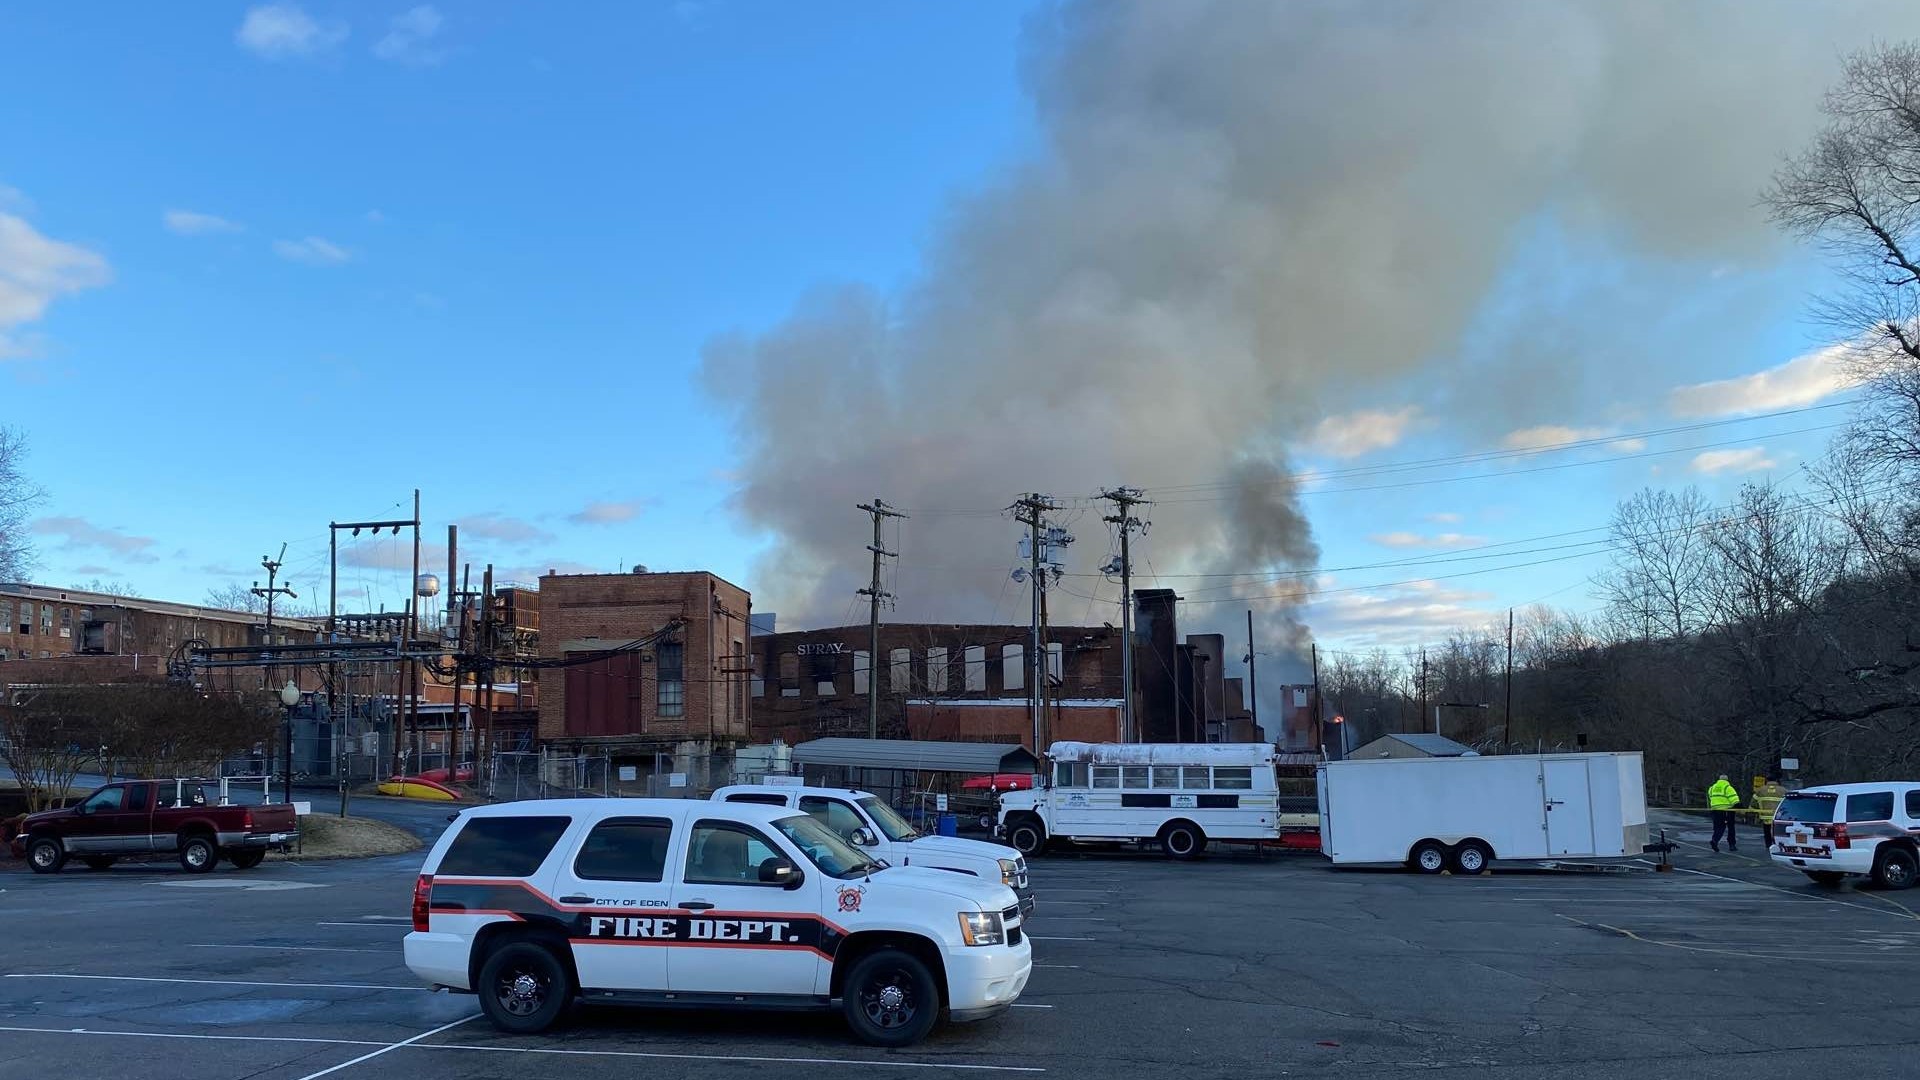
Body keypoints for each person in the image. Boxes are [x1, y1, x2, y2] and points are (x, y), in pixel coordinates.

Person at [1708, 773, 1741, 852]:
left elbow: (1710, 797)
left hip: (1715, 810)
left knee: (1718, 827)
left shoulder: (1712, 788)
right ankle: (1732, 845)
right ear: (1727, 780)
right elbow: (1735, 800)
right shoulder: (1728, 787)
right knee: (1731, 828)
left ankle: (1715, 840)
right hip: (1727, 811)